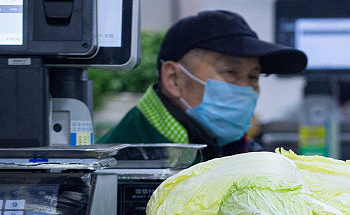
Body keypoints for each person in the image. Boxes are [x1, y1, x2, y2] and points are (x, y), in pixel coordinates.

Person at [100, 9, 307, 159]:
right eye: (230, 72)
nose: (246, 88)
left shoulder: (230, 147)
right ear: (173, 78)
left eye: (253, 77)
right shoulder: (124, 161)